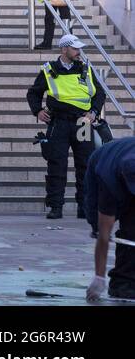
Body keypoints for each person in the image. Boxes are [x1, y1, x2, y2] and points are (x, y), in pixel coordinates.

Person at [28, 34, 107, 220]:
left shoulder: (85, 68)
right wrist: (38, 111)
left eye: (79, 49)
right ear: (64, 49)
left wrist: (94, 112)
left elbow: (100, 94)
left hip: (82, 122)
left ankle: (84, 207)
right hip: (59, 122)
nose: (78, 52)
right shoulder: (49, 70)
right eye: (75, 49)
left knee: (85, 165)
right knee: (56, 165)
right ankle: (56, 207)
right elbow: (33, 93)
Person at [84, 136, 135, 301]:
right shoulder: (108, 181)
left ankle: (127, 278)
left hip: (124, 160)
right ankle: (121, 283)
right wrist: (99, 277)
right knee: (98, 225)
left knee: (132, 228)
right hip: (102, 162)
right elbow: (104, 235)